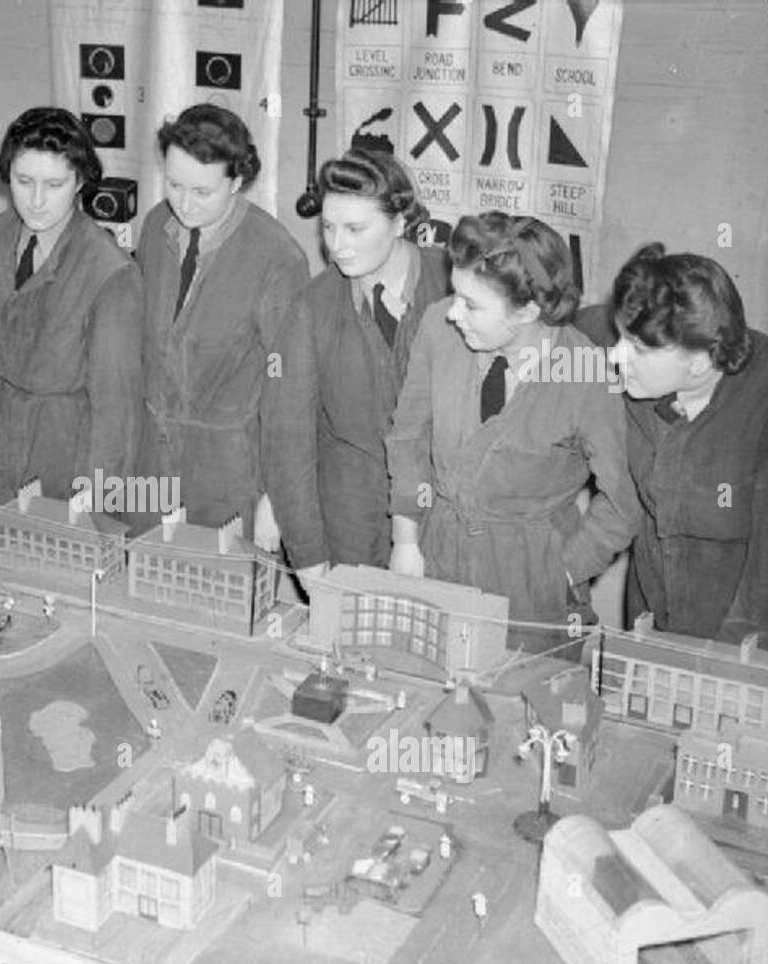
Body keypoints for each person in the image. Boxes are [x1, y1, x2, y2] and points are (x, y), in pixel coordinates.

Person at [385, 213, 639, 650]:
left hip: (529, 573)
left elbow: (621, 504)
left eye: (472, 304)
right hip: (439, 548)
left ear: (528, 310)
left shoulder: (586, 374)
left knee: (527, 701)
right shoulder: (438, 327)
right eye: (455, 294)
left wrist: (558, 572)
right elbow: (408, 435)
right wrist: (406, 540)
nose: (454, 314)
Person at [261, 148, 450, 581]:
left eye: (355, 229)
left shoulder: (455, 287)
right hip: (351, 519)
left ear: (401, 222)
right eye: (328, 227)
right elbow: (287, 439)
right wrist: (308, 555)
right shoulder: (312, 307)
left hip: (444, 517)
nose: (337, 246)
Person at [134, 103, 308, 537]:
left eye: (203, 192)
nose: (184, 204)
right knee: (141, 570)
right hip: (150, 452)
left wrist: (277, 493)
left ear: (237, 182)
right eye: (174, 185)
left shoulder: (277, 258)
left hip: (230, 462)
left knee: (219, 581)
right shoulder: (156, 226)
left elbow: (291, 390)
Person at [0, 107, 143, 507]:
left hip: (64, 459)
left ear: (80, 181)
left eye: (55, 184)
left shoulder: (110, 271)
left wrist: (98, 499)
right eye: (23, 181)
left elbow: (117, 412)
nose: (37, 200)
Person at [604, 244, 768, 646]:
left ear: (700, 362)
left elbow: (766, 581)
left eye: (638, 349)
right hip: (649, 622)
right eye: (620, 338)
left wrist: (726, 666)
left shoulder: (764, 409)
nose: (616, 355)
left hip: (736, 643)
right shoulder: (643, 377)